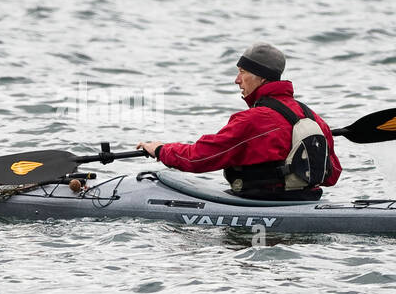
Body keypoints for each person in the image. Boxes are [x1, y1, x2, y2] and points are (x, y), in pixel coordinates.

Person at [136, 42, 342, 200]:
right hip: (305, 202)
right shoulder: (313, 118)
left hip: (263, 205)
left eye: (242, 72)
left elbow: (197, 159)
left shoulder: (252, 120)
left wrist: (161, 150)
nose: (236, 79)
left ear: (261, 78)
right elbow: (332, 175)